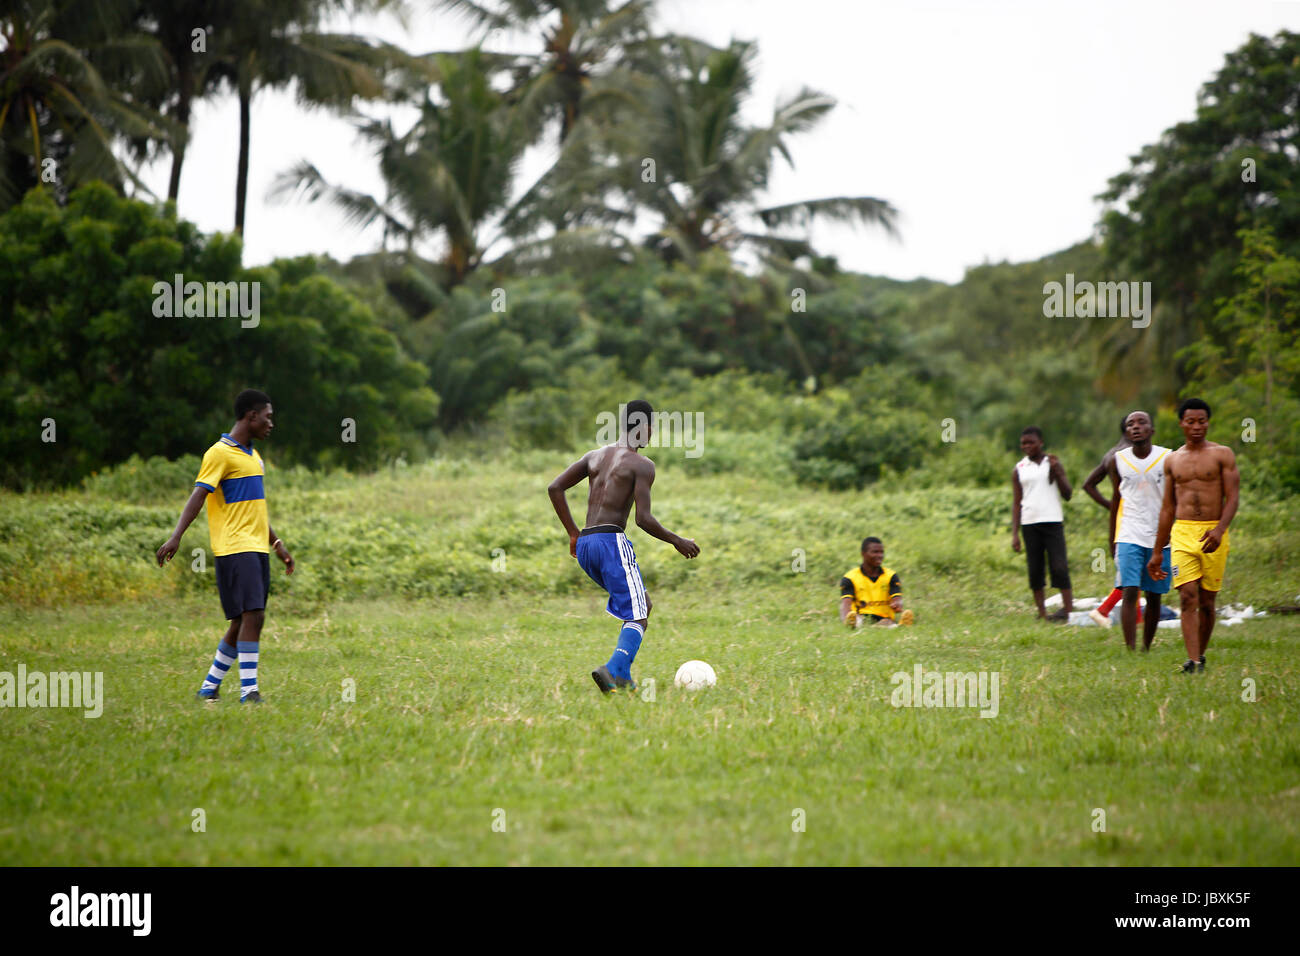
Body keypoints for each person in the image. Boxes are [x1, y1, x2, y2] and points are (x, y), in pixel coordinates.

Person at [547, 399, 700, 695]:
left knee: (642, 602)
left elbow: (555, 487)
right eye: (653, 427)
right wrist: (677, 541)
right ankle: (612, 669)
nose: (653, 433)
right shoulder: (642, 465)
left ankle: (624, 678)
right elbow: (643, 519)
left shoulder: (594, 455)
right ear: (642, 427)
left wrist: (572, 533)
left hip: (587, 545)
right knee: (639, 613)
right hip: (610, 543)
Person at [156, 389, 295, 703]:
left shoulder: (253, 456)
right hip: (234, 547)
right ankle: (249, 692)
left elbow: (256, 508)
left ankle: (209, 687)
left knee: (242, 619)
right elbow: (198, 496)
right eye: (268, 417)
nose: (271, 423)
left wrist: (276, 543)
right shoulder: (218, 453)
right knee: (254, 615)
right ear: (251, 416)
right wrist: (176, 536)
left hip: (256, 546)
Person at [1148, 398, 1240, 673]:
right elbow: (1167, 507)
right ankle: (1194, 661)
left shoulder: (1223, 454)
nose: (1197, 426)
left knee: (1208, 602)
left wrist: (1220, 530)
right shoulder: (1172, 460)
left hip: (1214, 531)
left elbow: (1233, 497)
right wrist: (1156, 551)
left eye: (1202, 421)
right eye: (1191, 421)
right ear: (1181, 424)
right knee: (1188, 597)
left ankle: (1200, 652)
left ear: (1208, 423)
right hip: (1183, 533)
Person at [1106, 411, 1171, 651]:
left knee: (1154, 594)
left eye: (1142, 422)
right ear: (1125, 432)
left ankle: (1146, 646)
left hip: (1159, 537)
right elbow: (1116, 499)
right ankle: (1130, 648)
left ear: (1152, 430)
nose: (1136, 427)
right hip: (1129, 533)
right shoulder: (1118, 460)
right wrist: (1112, 537)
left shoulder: (1168, 457)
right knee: (1129, 589)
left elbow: (1175, 497)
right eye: (1130, 424)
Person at [1011, 426, 1074, 620]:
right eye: (1023, 443)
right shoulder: (1019, 469)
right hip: (1030, 523)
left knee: (1059, 566)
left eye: (1031, 442)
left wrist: (1057, 472)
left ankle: (1068, 610)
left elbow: (1068, 494)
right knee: (1035, 568)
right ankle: (1042, 612)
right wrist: (1015, 533)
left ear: (1041, 443)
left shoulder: (1053, 462)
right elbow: (1016, 502)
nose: (1027, 446)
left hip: (1053, 521)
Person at [1083, 417, 1132, 628]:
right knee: (1134, 571)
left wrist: (1112, 508)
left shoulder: (1109, 454)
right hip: (1137, 517)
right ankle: (1104, 609)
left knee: (1131, 570)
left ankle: (1132, 618)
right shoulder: (1134, 455)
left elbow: (1088, 485)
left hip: (1120, 518)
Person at [839, 537, 913, 628]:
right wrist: (846, 618)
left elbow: (897, 597)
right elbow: (846, 603)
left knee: (887, 624)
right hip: (862, 617)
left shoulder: (891, 576)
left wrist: (897, 604)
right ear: (863, 554)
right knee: (859, 622)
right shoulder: (850, 577)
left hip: (884, 618)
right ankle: (852, 624)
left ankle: (901, 626)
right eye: (875, 552)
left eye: (881, 552)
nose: (879, 555)